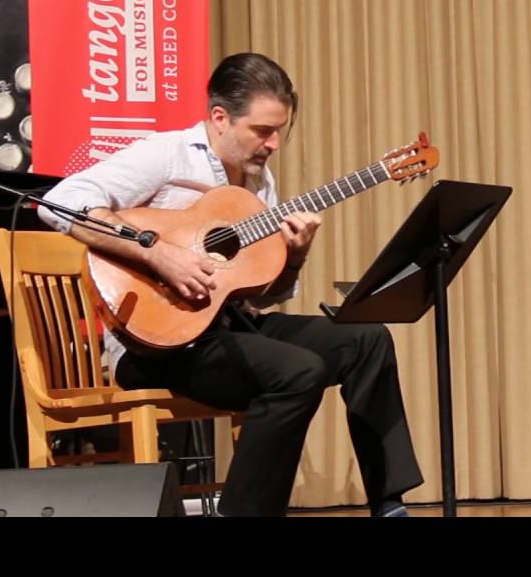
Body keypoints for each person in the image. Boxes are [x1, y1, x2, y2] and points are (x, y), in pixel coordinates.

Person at [39, 52, 423, 516]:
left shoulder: (260, 183)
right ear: (220, 118)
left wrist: (294, 258)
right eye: (262, 131)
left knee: (367, 340)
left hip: (228, 328)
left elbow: (258, 290)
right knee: (298, 371)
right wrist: (160, 254)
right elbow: (61, 202)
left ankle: (389, 502)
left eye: (279, 130)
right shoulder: (166, 155)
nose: (274, 143)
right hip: (154, 345)